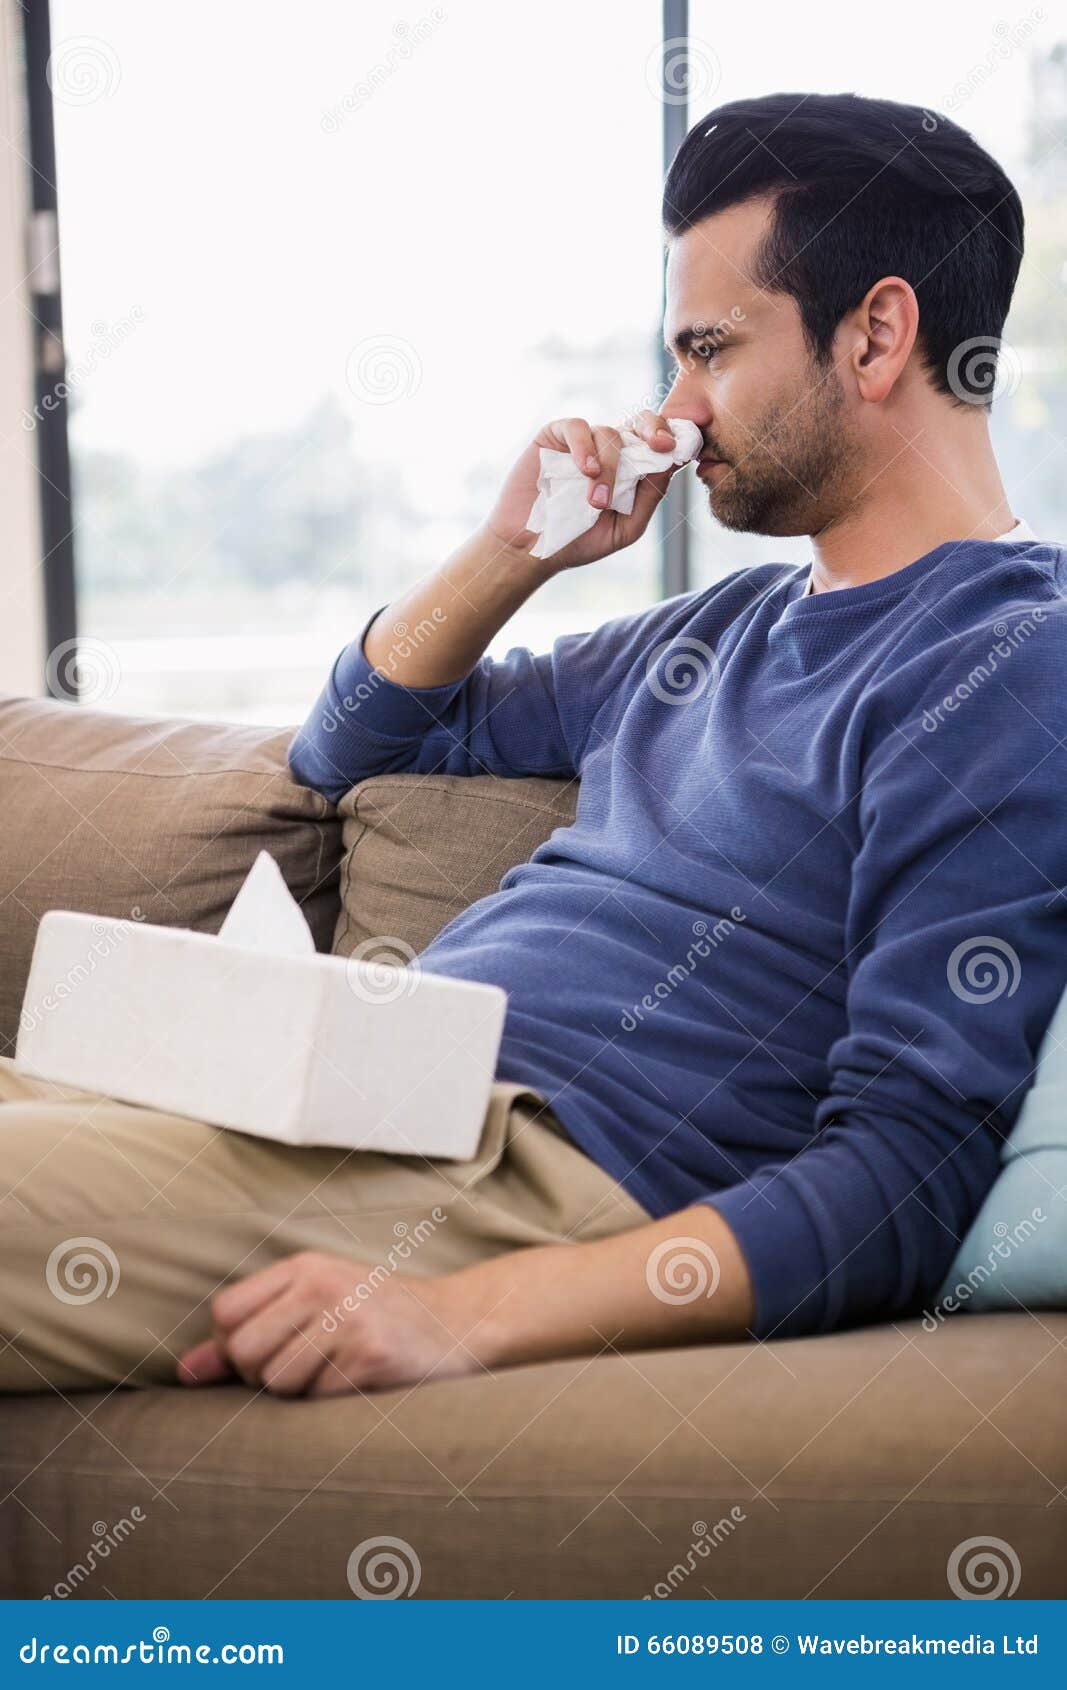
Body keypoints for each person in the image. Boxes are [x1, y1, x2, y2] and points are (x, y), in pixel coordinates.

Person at [3, 91, 1064, 1400]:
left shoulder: (1006, 664)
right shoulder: (718, 628)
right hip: (351, 1087)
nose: (674, 413)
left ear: (879, 334)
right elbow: (354, 742)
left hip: (518, 1163)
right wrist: (515, 553)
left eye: (711, 350)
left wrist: (462, 1312)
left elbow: (906, 1168)